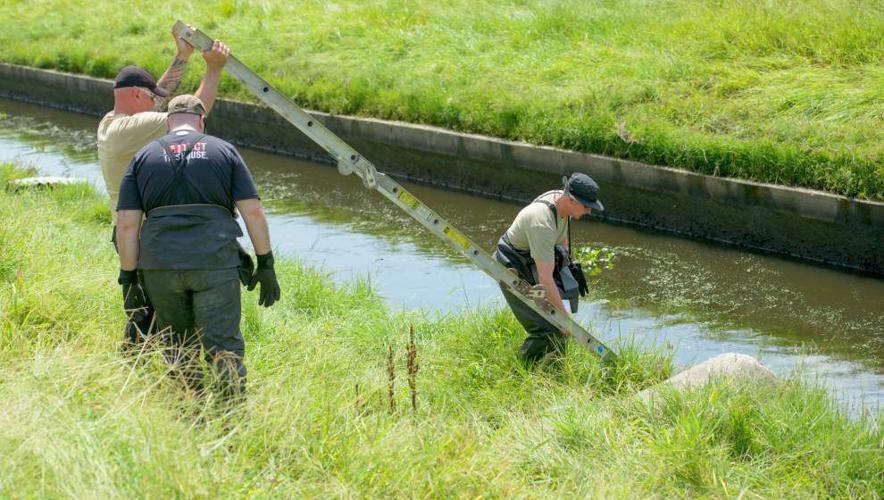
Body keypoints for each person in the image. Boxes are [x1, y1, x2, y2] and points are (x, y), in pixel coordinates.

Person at [115, 94, 280, 405]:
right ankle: (230, 418)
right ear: (201, 121)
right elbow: (253, 212)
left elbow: (126, 223)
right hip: (214, 261)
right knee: (223, 346)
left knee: (177, 344)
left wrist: (128, 277)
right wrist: (266, 263)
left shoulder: (143, 156)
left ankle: (189, 414)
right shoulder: (224, 151)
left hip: (160, 265)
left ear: (167, 123)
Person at [97, 30, 231, 349]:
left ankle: (133, 370)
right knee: (154, 313)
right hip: (142, 236)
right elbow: (193, 115)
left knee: (145, 309)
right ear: (134, 95)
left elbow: (157, 97)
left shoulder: (112, 122)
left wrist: (182, 56)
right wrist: (213, 69)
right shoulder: (128, 129)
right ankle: (140, 373)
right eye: (148, 97)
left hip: (129, 232)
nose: (155, 102)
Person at [493, 173, 603, 365]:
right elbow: (545, 279)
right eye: (586, 207)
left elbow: (562, 241)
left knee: (558, 326)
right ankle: (521, 371)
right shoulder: (541, 222)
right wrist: (565, 320)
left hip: (531, 264)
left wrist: (565, 271)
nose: (589, 211)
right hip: (512, 270)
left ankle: (554, 370)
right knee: (547, 328)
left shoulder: (561, 205)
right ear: (571, 199)